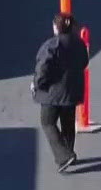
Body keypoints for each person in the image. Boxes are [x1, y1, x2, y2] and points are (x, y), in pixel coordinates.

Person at [31, 12, 89, 171]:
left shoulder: (51, 45)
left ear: (56, 27)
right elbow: (84, 62)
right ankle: (69, 150)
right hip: (72, 90)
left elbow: (42, 69)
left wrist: (37, 84)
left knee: (48, 122)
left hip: (52, 93)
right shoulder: (79, 43)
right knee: (68, 123)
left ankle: (65, 156)